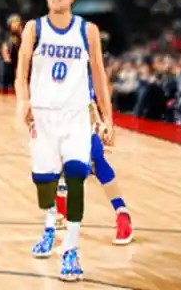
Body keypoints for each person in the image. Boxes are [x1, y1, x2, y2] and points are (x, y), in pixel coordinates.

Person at [15, 0, 114, 282]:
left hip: (75, 117)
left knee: (76, 177)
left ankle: (71, 249)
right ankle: (49, 225)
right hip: (42, 116)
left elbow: (98, 74)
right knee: (44, 183)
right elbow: (22, 68)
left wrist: (108, 117)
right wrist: (23, 101)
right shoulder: (35, 28)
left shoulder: (88, 31)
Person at [55, 76, 133, 245]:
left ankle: (122, 213)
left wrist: (100, 123)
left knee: (96, 158)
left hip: (81, 122)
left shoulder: (81, 66)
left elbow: (90, 101)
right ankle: (62, 212)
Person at [0, 14, 22, 93]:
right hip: (8, 58)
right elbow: (4, 47)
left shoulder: (22, 34)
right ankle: (4, 91)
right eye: (14, 22)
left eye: (17, 22)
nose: (16, 24)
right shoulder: (7, 35)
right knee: (6, 73)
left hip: (18, 58)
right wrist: (7, 58)